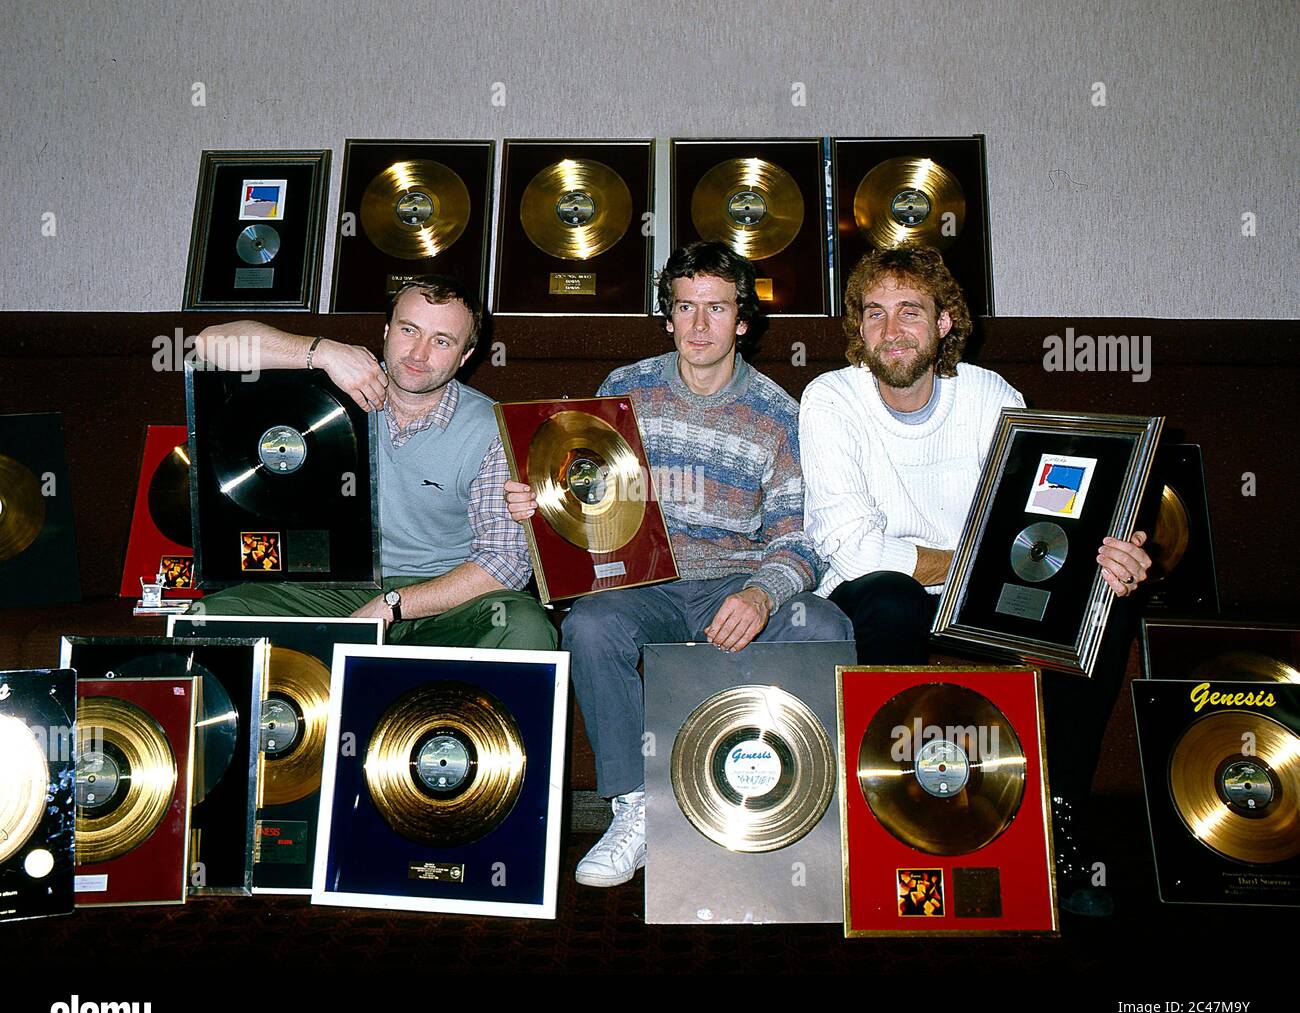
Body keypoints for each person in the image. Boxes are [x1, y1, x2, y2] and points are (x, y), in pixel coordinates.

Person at [800, 246, 1150, 915]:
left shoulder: (991, 396)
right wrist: (978, 564)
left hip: (983, 598)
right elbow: (852, 547)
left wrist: (1107, 553)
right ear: (858, 327)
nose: (891, 328)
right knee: (892, 594)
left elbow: (1043, 520)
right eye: (874, 313)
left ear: (944, 323)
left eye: (910, 311)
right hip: (876, 597)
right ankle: (891, 828)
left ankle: (1060, 830)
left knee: (1101, 610)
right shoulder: (830, 397)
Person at [506, 242, 853, 887]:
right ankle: (634, 808)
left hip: (736, 580)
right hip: (649, 587)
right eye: (685, 308)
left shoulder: (780, 414)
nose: (699, 326)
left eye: (716, 309)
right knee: (591, 623)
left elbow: (802, 539)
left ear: (742, 320)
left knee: (825, 626)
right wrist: (540, 507)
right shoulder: (625, 390)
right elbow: (589, 507)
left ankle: (804, 805)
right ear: (667, 316)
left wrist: (761, 594)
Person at [189, 277, 555, 651]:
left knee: (524, 626)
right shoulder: (333, 382)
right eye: (408, 330)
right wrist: (322, 352)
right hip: (336, 590)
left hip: (447, 598)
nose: (418, 353)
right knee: (213, 615)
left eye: (441, 341)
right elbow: (207, 344)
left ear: (465, 356)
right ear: (386, 329)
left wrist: (393, 605)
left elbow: (505, 562)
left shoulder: (492, 427)